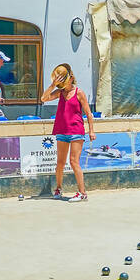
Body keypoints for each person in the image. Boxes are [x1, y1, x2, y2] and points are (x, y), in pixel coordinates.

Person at [41, 63, 97, 201]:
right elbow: (43, 99)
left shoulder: (79, 92)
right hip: (61, 130)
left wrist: (91, 131)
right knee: (60, 163)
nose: (63, 84)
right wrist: (53, 85)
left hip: (76, 130)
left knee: (73, 162)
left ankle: (82, 193)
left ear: (71, 78)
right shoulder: (59, 92)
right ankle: (58, 189)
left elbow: (89, 113)